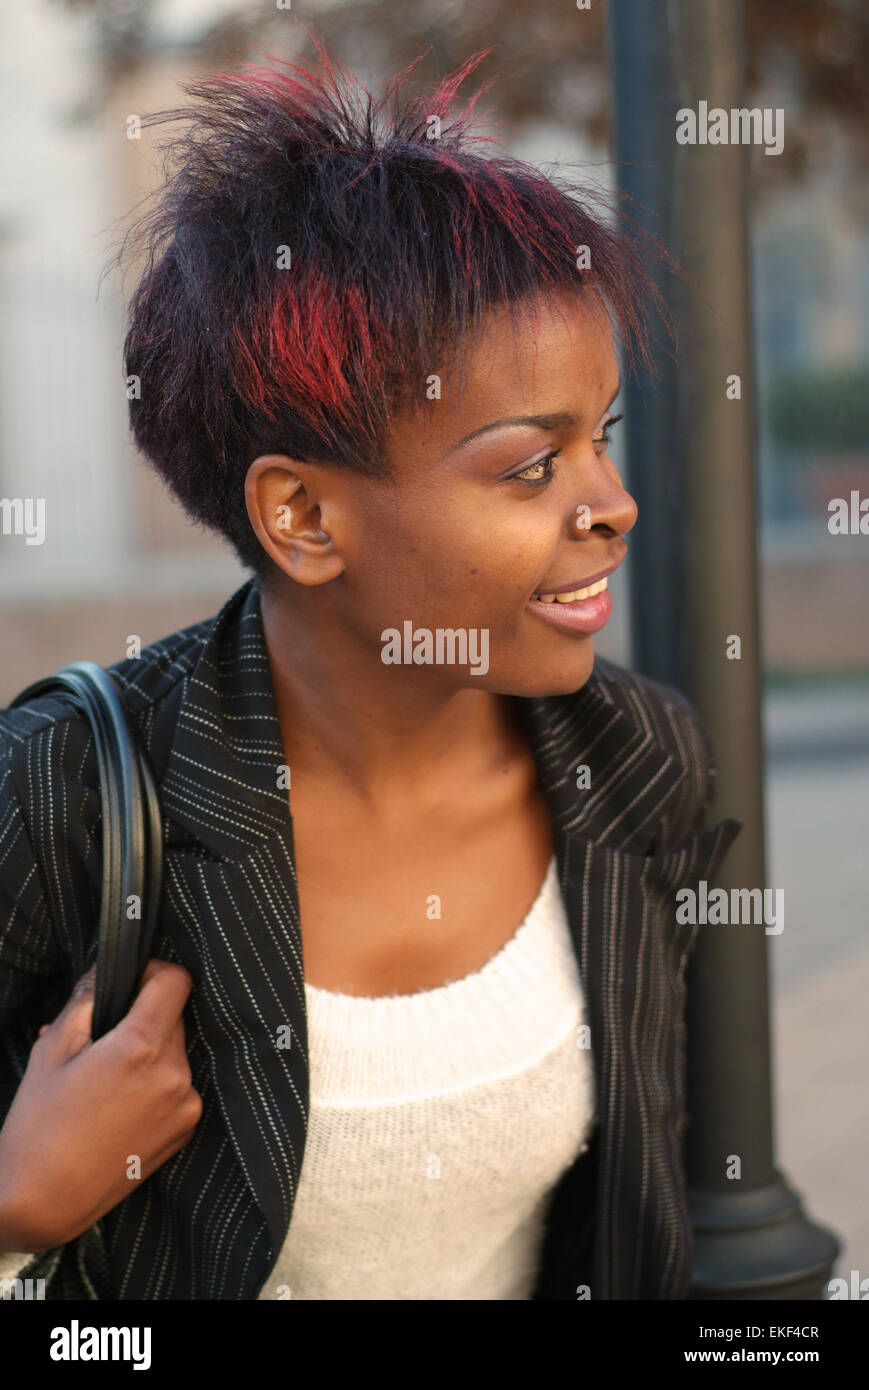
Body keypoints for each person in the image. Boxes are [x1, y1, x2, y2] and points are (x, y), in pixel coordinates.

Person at [0, 45, 740, 1300]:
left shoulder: (635, 759)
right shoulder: (69, 792)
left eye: (600, 438)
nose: (610, 503)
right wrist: (12, 1208)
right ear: (301, 516)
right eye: (527, 466)